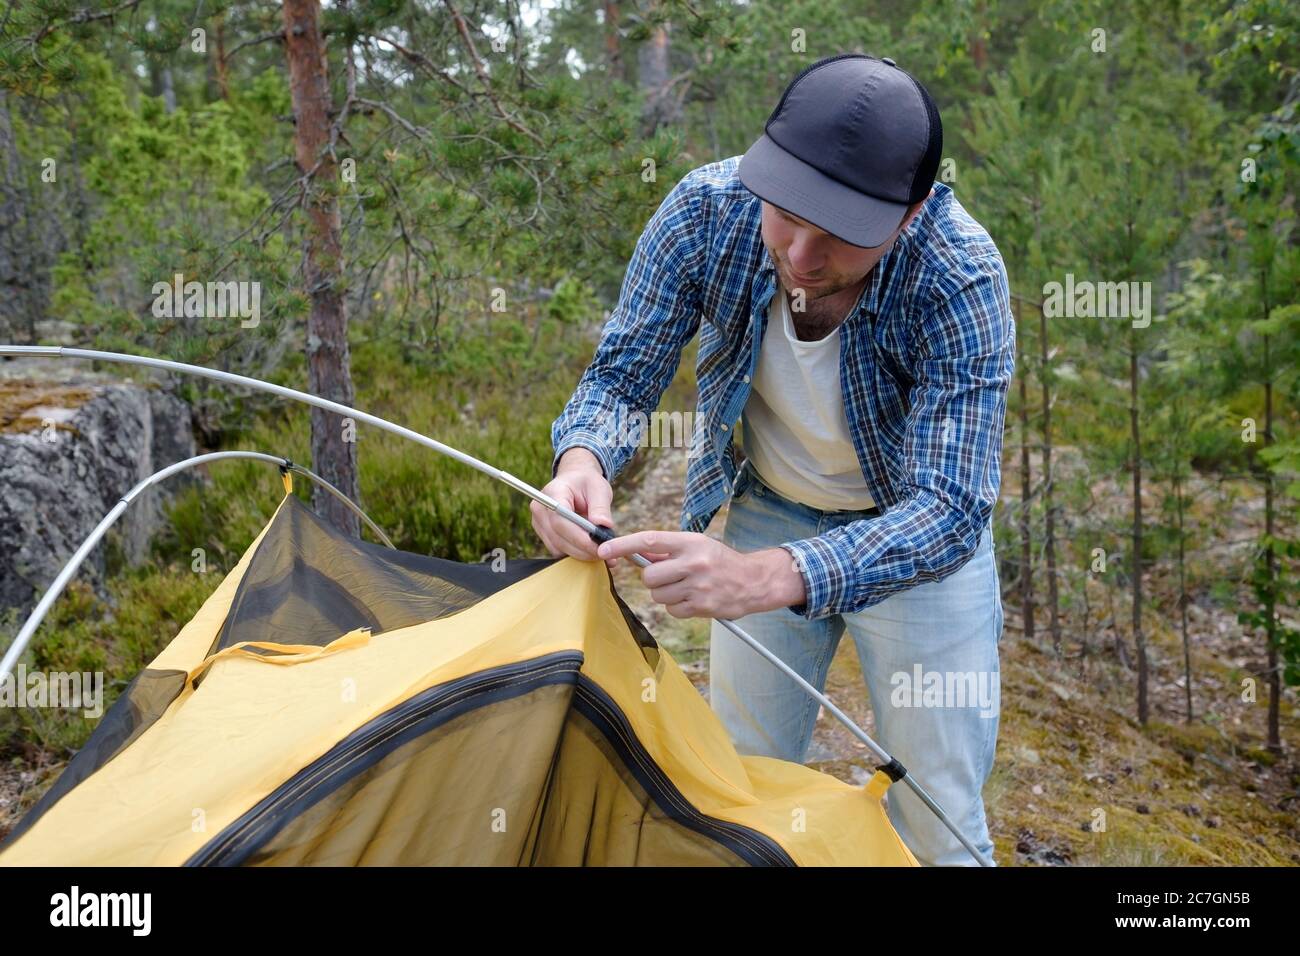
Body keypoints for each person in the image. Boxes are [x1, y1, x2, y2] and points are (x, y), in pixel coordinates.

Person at [531, 53, 1014, 866]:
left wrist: (765, 576)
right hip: (772, 505)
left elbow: (950, 507)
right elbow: (623, 371)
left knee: (937, 817)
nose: (801, 253)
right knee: (739, 788)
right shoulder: (704, 213)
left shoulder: (959, 276)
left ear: (912, 210)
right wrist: (582, 459)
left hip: (920, 551)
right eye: (788, 213)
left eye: (842, 235)